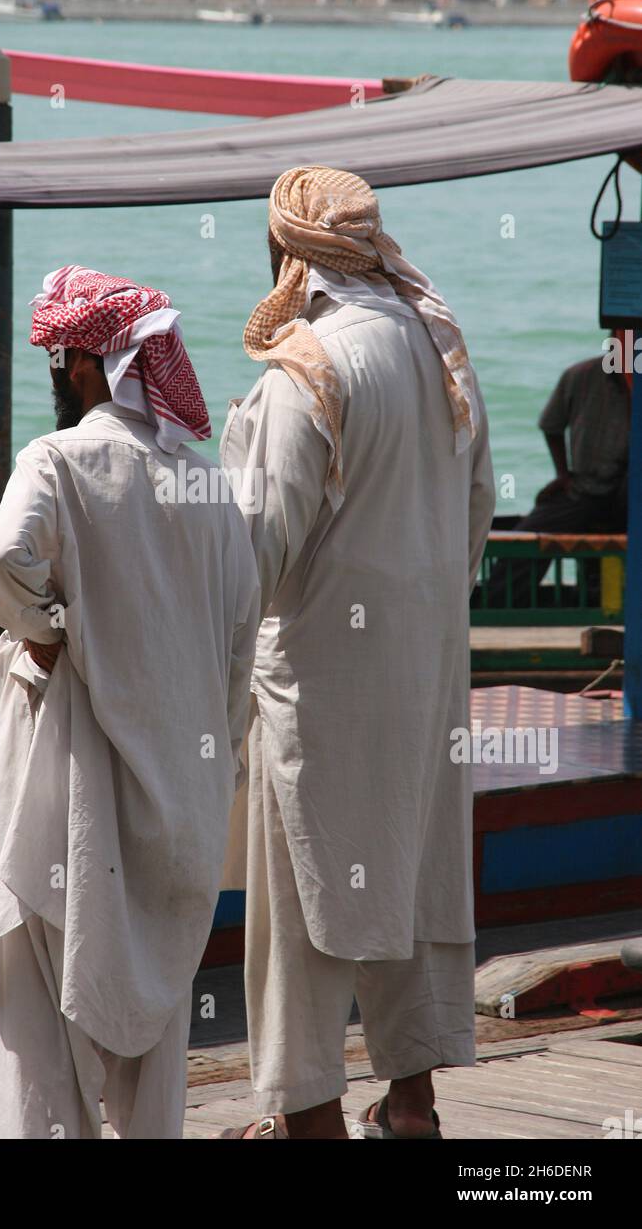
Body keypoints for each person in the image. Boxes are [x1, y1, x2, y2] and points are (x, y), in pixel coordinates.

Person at [219, 167, 495, 1140]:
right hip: (423, 675)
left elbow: (249, 554)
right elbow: (475, 517)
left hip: (316, 685)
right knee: (411, 872)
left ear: (284, 254)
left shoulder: (304, 373)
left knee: (304, 900)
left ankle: (306, 1117)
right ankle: (412, 1102)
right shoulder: (439, 349)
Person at [0, 265, 260, 1140]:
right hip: (183, 804)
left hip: (68, 794)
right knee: (153, 1033)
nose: (56, 375)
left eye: (60, 358)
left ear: (90, 365)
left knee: (39, 1031)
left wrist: (48, 633)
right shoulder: (211, 491)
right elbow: (240, 647)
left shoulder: (59, 460)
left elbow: (0, 563)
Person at [481, 343, 630, 610]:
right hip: (584, 487)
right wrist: (562, 473)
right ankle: (498, 607)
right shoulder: (581, 375)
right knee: (526, 541)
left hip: (631, 492)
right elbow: (551, 425)